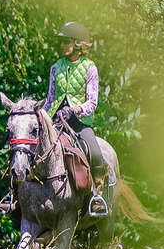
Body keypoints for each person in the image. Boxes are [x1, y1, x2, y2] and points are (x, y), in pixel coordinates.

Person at [43, 21, 114, 216]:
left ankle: (96, 197)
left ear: (78, 44)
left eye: (66, 41)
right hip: (55, 121)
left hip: (79, 122)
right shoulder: (55, 67)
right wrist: (44, 117)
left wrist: (74, 110)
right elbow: (50, 98)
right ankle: (15, 197)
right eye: (62, 42)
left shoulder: (90, 68)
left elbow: (92, 102)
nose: (62, 45)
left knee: (97, 154)